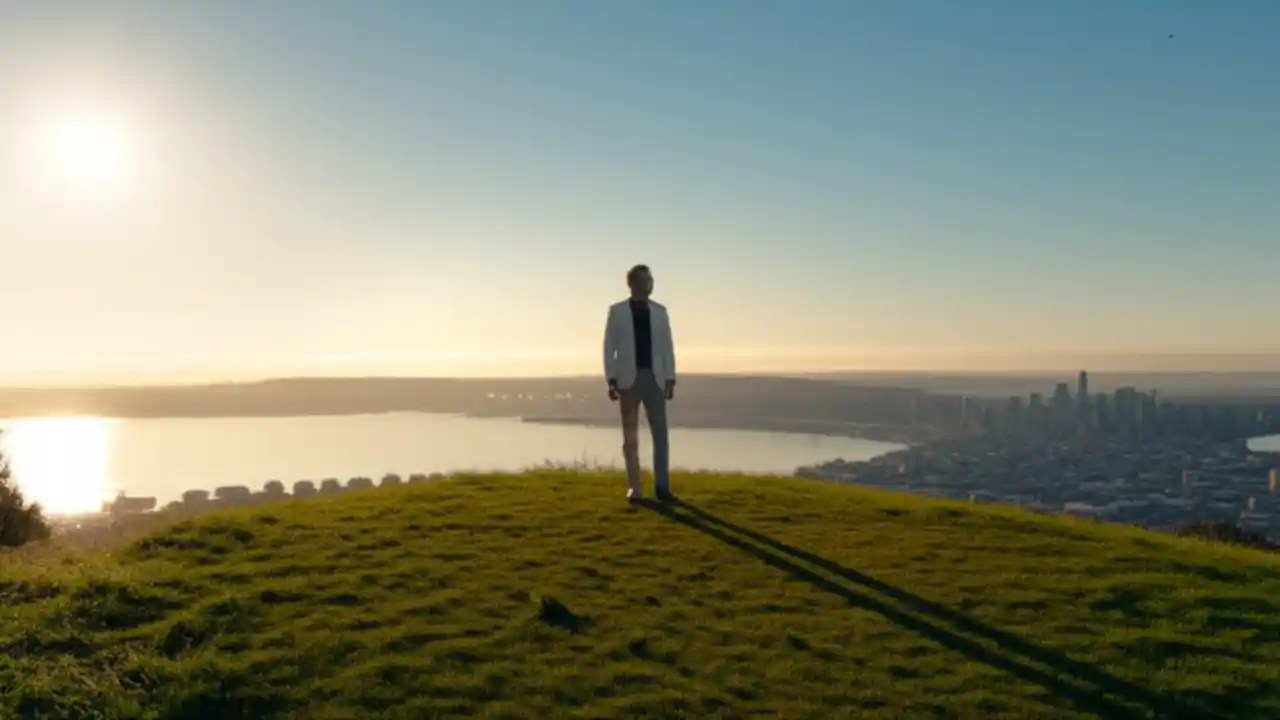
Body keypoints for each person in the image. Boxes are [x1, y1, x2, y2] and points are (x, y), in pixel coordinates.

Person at [603, 264, 677, 501]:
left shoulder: (660, 312)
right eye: (646, 280)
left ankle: (662, 487)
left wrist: (670, 377)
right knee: (630, 437)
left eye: (651, 280)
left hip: (655, 379)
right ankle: (635, 488)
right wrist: (612, 379)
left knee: (660, 435)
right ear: (634, 284)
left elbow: (667, 347)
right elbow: (609, 347)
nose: (650, 284)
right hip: (628, 380)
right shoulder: (617, 312)